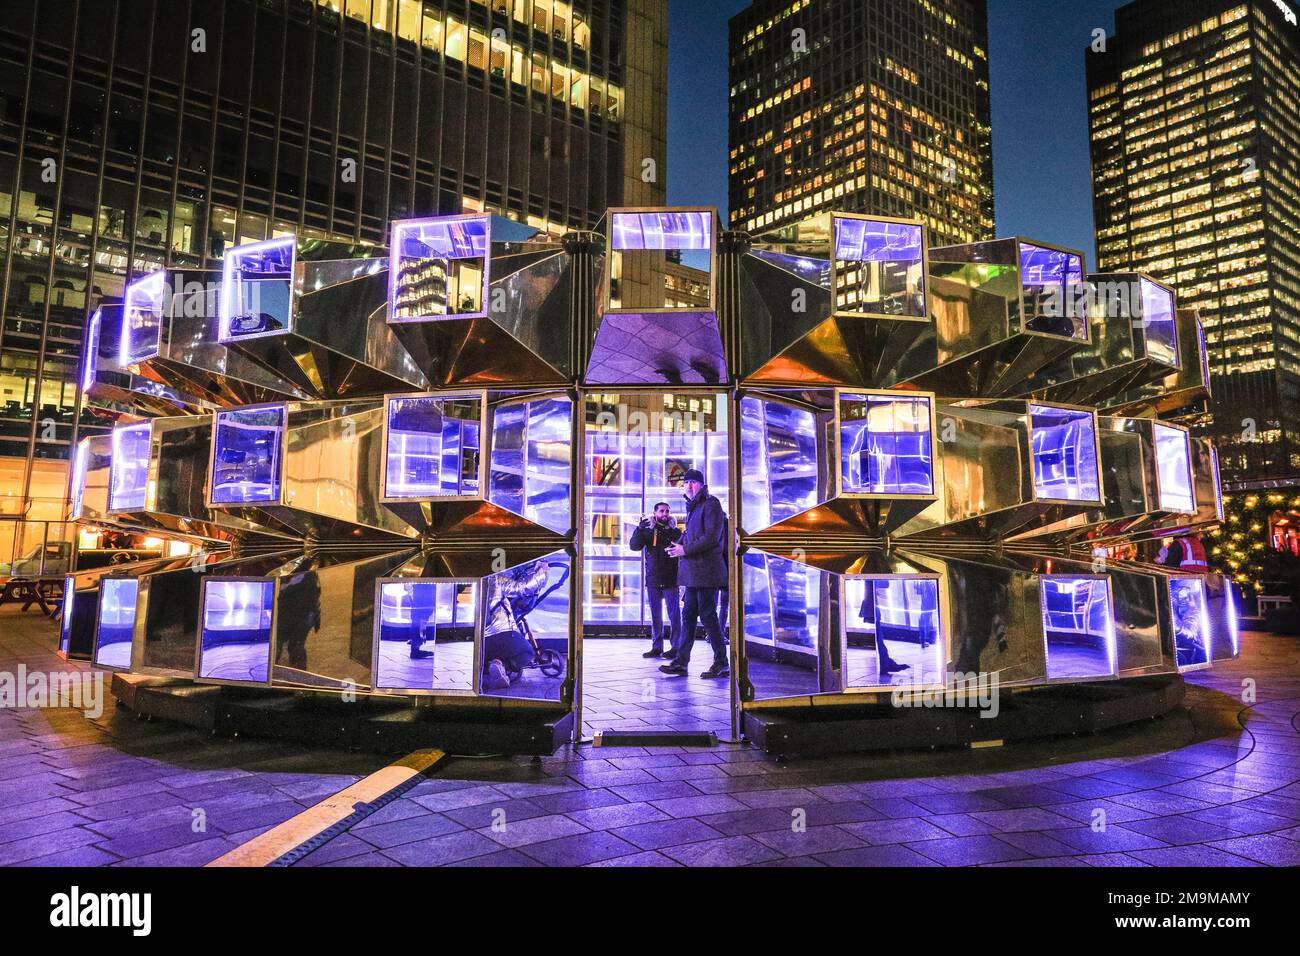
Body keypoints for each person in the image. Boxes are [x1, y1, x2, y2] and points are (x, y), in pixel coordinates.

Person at [660, 469, 730, 679]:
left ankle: (721, 663)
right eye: (686, 482)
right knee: (688, 614)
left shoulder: (711, 504)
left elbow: (711, 537)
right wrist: (679, 544)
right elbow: (693, 534)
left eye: (693, 482)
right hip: (694, 571)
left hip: (707, 570)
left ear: (701, 485)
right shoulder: (694, 506)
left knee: (707, 615)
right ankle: (681, 662)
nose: (689, 486)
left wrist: (685, 550)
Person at [629, 501, 682, 658]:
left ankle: (676, 647)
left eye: (667, 511)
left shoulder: (674, 531)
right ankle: (657, 646)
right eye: (661, 511)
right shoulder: (647, 530)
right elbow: (634, 546)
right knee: (655, 615)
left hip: (671, 579)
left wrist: (673, 529)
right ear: (655, 513)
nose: (665, 514)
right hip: (653, 579)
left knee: (674, 614)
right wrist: (640, 528)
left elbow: (682, 544)